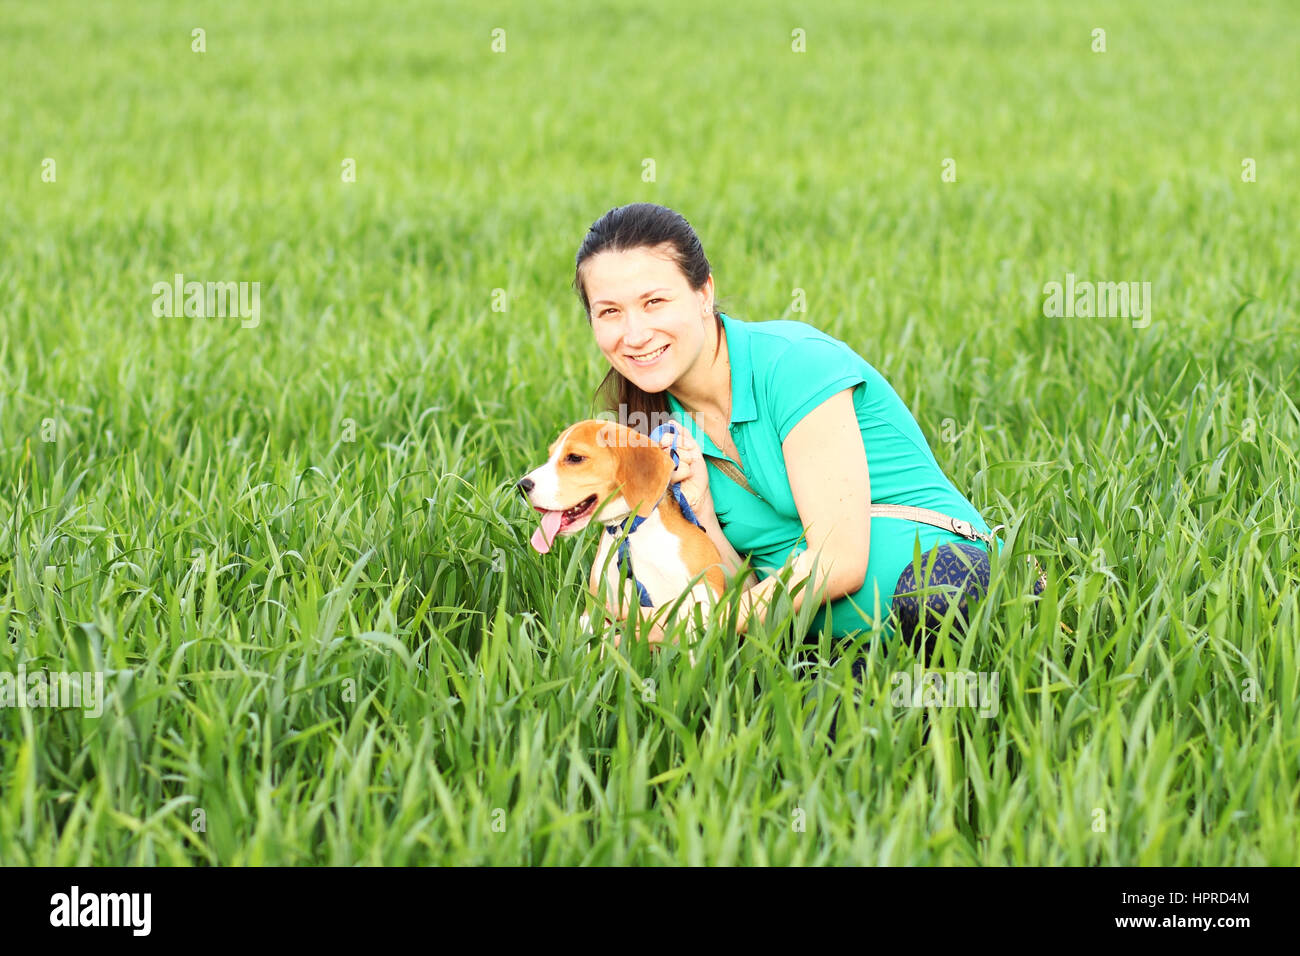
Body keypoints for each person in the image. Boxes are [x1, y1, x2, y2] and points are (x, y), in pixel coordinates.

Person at [574, 202, 1037, 659]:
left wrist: (678, 627)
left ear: (703, 293)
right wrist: (703, 514)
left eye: (654, 301)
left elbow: (838, 563)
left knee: (939, 594)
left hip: (950, 594)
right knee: (779, 714)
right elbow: (746, 591)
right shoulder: (656, 432)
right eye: (610, 312)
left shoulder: (793, 364)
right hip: (827, 649)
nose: (633, 334)